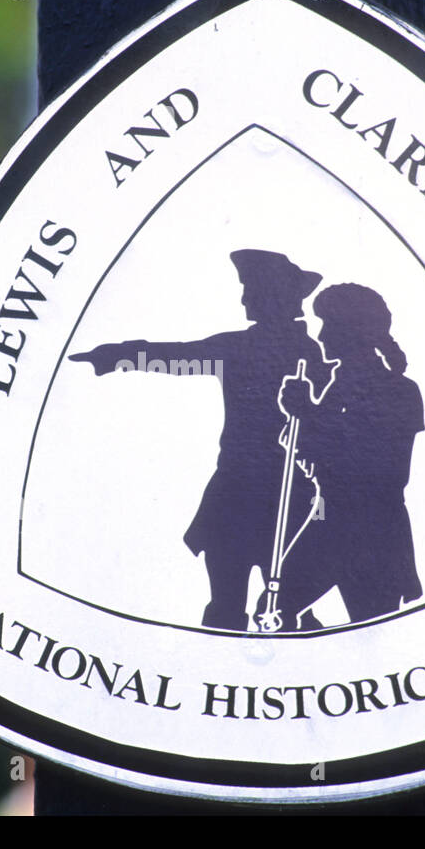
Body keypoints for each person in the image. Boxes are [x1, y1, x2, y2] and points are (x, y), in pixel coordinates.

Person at [69, 249, 331, 631]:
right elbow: (176, 357)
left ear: (273, 295)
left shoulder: (310, 357)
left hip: (282, 494)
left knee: (283, 610)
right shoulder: (243, 348)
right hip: (235, 494)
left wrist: (116, 356)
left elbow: (334, 428)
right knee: (228, 607)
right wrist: (117, 356)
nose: (244, 299)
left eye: (251, 290)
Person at [268, 282, 425, 629]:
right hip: (327, 520)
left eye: (328, 325)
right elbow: (319, 460)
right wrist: (302, 414)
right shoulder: (337, 386)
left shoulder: (398, 391)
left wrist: (308, 415)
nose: (321, 336)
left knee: (374, 636)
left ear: (352, 330)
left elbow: (383, 473)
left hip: (373, 532)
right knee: (275, 612)